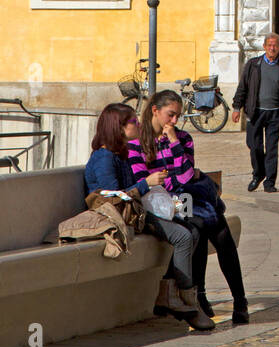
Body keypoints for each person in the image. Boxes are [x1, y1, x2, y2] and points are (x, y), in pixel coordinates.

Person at [84, 100, 213, 332]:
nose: (138, 125)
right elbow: (112, 198)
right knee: (183, 237)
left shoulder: (119, 153)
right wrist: (146, 184)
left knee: (195, 227)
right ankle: (189, 304)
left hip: (137, 210)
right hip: (122, 216)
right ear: (119, 127)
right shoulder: (104, 158)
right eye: (133, 122)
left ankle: (171, 297)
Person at [128, 89, 250, 326]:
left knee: (221, 231)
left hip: (185, 198)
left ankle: (240, 300)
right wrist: (171, 176)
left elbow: (183, 177)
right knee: (199, 225)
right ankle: (199, 297)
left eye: (177, 116)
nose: (174, 121)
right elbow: (149, 183)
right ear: (155, 111)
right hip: (164, 205)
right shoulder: (136, 145)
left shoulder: (183, 139)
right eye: (170, 115)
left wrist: (173, 141)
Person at [231, 32, 279, 193]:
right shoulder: (253, 65)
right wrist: (237, 108)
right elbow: (243, 87)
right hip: (256, 112)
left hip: (275, 114)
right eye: (270, 45)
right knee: (254, 146)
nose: (272, 48)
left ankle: (270, 182)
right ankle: (258, 173)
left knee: (272, 148)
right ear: (264, 47)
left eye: (275, 45)